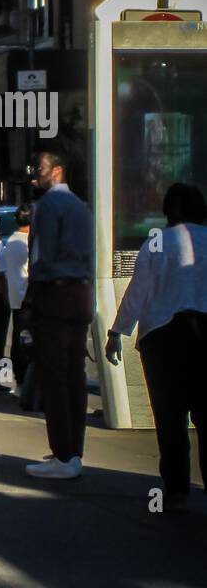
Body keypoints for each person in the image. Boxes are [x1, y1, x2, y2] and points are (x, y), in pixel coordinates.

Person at [105, 183, 207, 512]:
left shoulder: (157, 243)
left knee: (170, 418)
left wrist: (117, 331)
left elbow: (138, 293)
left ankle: (176, 493)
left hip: (163, 337)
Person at [23, 150, 95, 479]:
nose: (34, 174)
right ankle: (72, 451)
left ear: (57, 171)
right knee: (75, 374)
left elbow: (42, 256)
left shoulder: (47, 206)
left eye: (39, 168)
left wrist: (31, 298)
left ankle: (62, 454)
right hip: (80, 290)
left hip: (55, 291)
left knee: (54, 375)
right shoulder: (82, 206)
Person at [0, 204, 32, 396]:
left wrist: (5, 294)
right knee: (28, 341)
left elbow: (2, 272)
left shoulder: (9, 242)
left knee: (17, 340)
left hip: (14, 298)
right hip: (29, 298)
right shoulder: (29, 244)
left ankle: (19, 381)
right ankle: (27, 380)